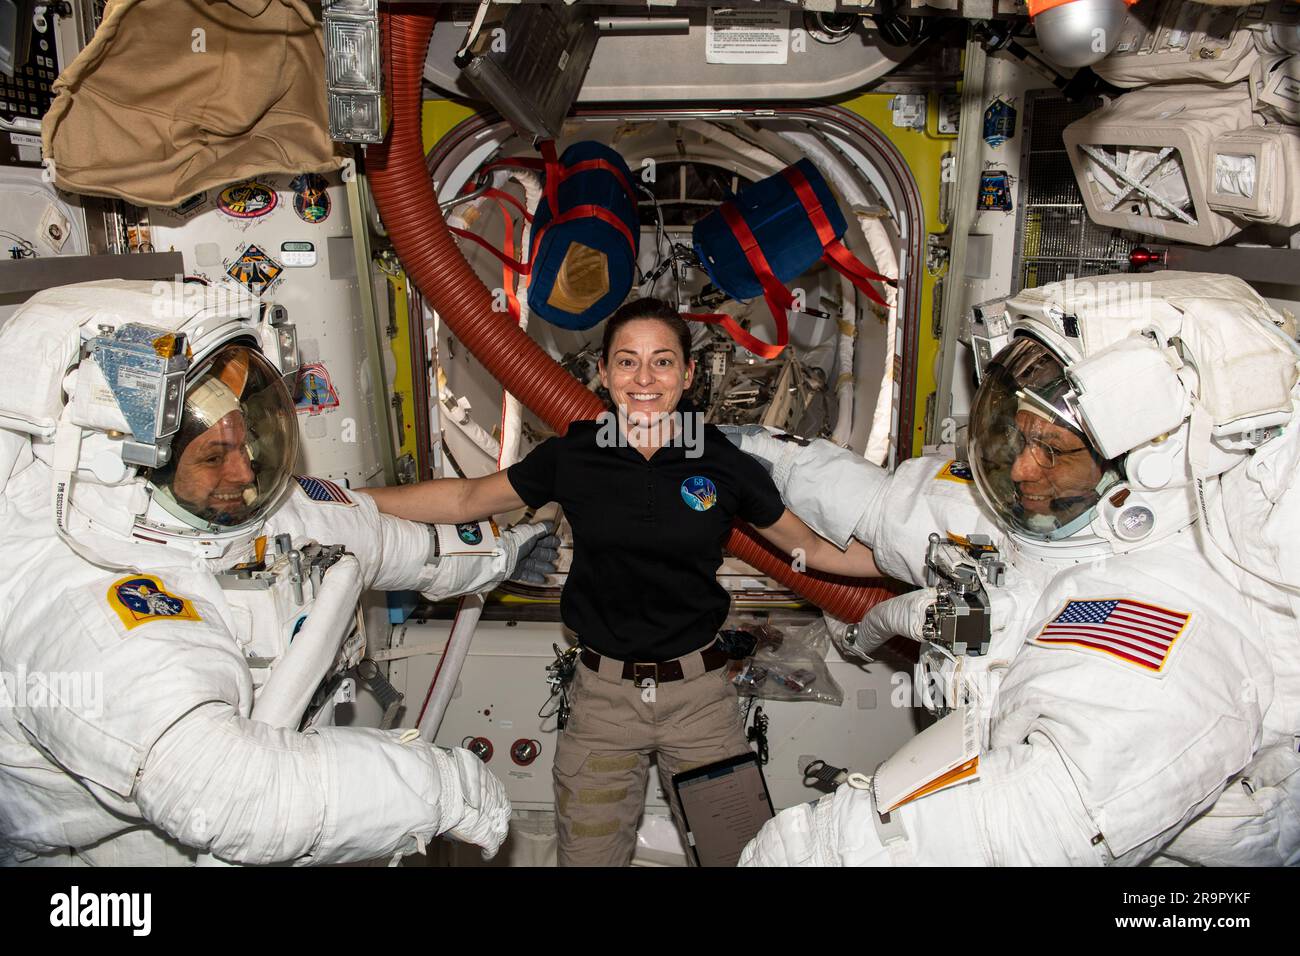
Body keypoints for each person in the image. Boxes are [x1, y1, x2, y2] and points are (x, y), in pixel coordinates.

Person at [727, 271, 1300, 866]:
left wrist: (795, 856)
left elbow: (1020, 831)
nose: (1024, 470)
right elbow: (875, 505)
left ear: (1143, 465)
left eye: (1051, 451)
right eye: (1021, 436)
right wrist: (734, 447)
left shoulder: (1166, 627)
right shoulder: (1054, 516)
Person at [0, 279, 559, 866]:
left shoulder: (236, 511)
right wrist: (446, 788)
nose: (243, 473)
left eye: (242, 444)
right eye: (213, 458)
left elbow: (382, 539)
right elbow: (227, 793)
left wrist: (499, 558)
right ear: (135, 465)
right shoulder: (83, 598)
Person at [361, 297, 880, 866]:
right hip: (603, 702)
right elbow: (467, 497)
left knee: (740, 858)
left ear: (687, 374)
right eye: (627, 362)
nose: (645, 377)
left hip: (701, 700)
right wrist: (352, 502)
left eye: (662, 361)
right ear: (604, 374)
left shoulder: (722, 463)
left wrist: (904, 560)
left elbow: (809, 547)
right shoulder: (574, 456)